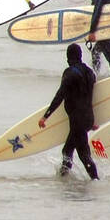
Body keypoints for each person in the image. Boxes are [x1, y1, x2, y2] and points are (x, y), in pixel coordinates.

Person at [38, 43, 99, 179]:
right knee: (67, 150)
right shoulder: (90, 73)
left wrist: (45, 117)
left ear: (68, 57)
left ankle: (96, 180)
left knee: (84, 155)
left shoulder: (70, 73)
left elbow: (60, 95)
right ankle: (64, 177)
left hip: (78, 120)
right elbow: (91, 96)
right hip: (88, 118)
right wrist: (93, 120)